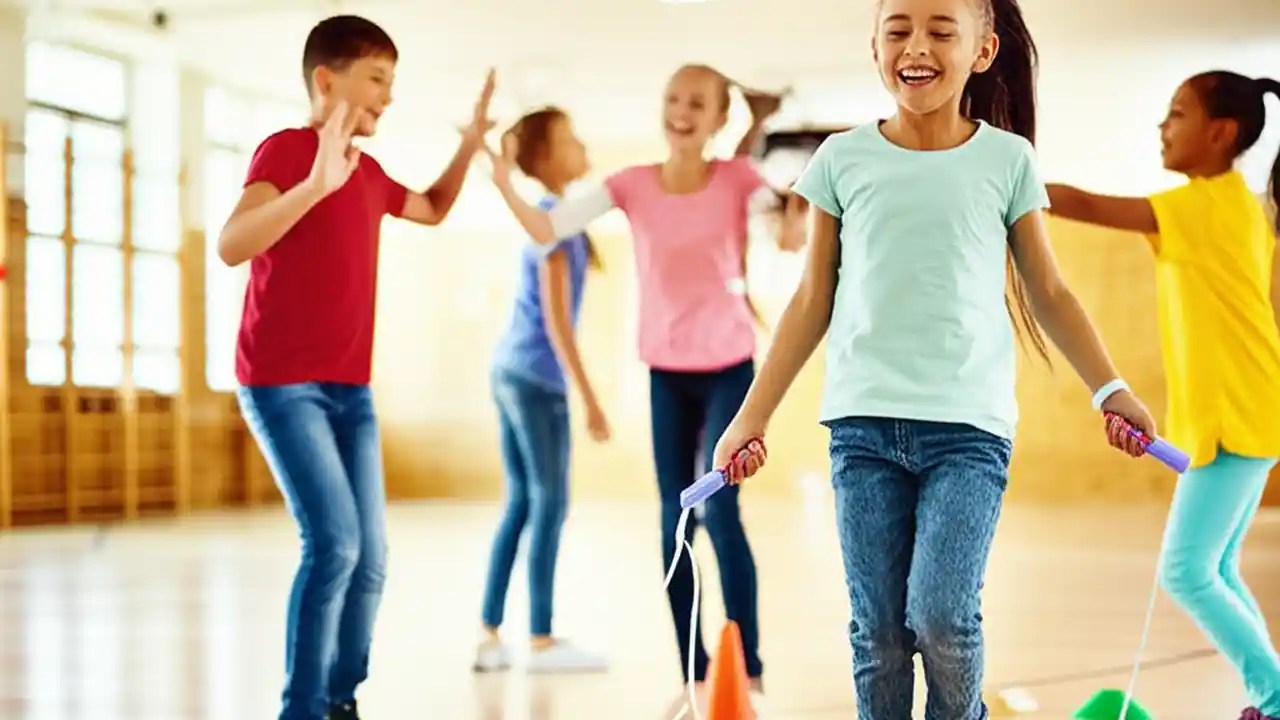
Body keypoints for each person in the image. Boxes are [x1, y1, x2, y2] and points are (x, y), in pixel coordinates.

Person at [709, 0, 1158, 717]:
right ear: (875, 48)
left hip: (968, 433)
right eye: (898, 31)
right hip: (862, 430)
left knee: (943, 616)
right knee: (880, 634)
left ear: (982, 51)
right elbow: (811, 300)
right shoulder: (841, 160)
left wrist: (1111, 389)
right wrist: (749, 418)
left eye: (941, 31)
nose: (916, 46)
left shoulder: (1006, 160)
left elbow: (1048, 290)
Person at [484, 64, 805, 711]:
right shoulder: (630, 184)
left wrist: (804, 198)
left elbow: (791, 237)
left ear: (720, 119)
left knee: (722, 511)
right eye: (673, 99)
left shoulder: (739, 178)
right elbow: (548, 229)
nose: (681, 111)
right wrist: (499, 180)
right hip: (667, 375)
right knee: (674, 517)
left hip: (731, 371)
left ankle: (750, 669)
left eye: (697, 103)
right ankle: (693, 669)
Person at [216, 15, 495, 720]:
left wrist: (468, 145)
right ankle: (303, 709)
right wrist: (313, 186)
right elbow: (231, 244)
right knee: (334, 544)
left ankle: (341, 700)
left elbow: (431, 208)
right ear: (326, 79)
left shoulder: (368, 173)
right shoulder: (287, 151)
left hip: (350, 391)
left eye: (392, 83)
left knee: (370, 558)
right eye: (377, 79)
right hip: (282, 385)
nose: (388, 97)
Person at [1047, 72, 1280, 720]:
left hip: (1234, 418)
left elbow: (1085, 205)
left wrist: (1007, 179)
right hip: (1252, 410)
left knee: (1186, 571)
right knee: (1217, 570)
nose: (1162, 126)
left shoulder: (1201, 206)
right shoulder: (1237, 207)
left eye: (1177, 114)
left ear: (1221, 133)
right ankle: (1268, 693)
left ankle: (1274, 696)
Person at [473, 107, 611, 674]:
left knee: (522, 502)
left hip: (509, 368)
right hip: (535, 377)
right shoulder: (554, 220)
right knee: (550, 503)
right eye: (570, 138)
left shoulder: (555, 216)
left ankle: (489, 633)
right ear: (549, 158)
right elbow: (557, 323)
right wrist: (591, 399)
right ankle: (541, 639)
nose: (582, 145)